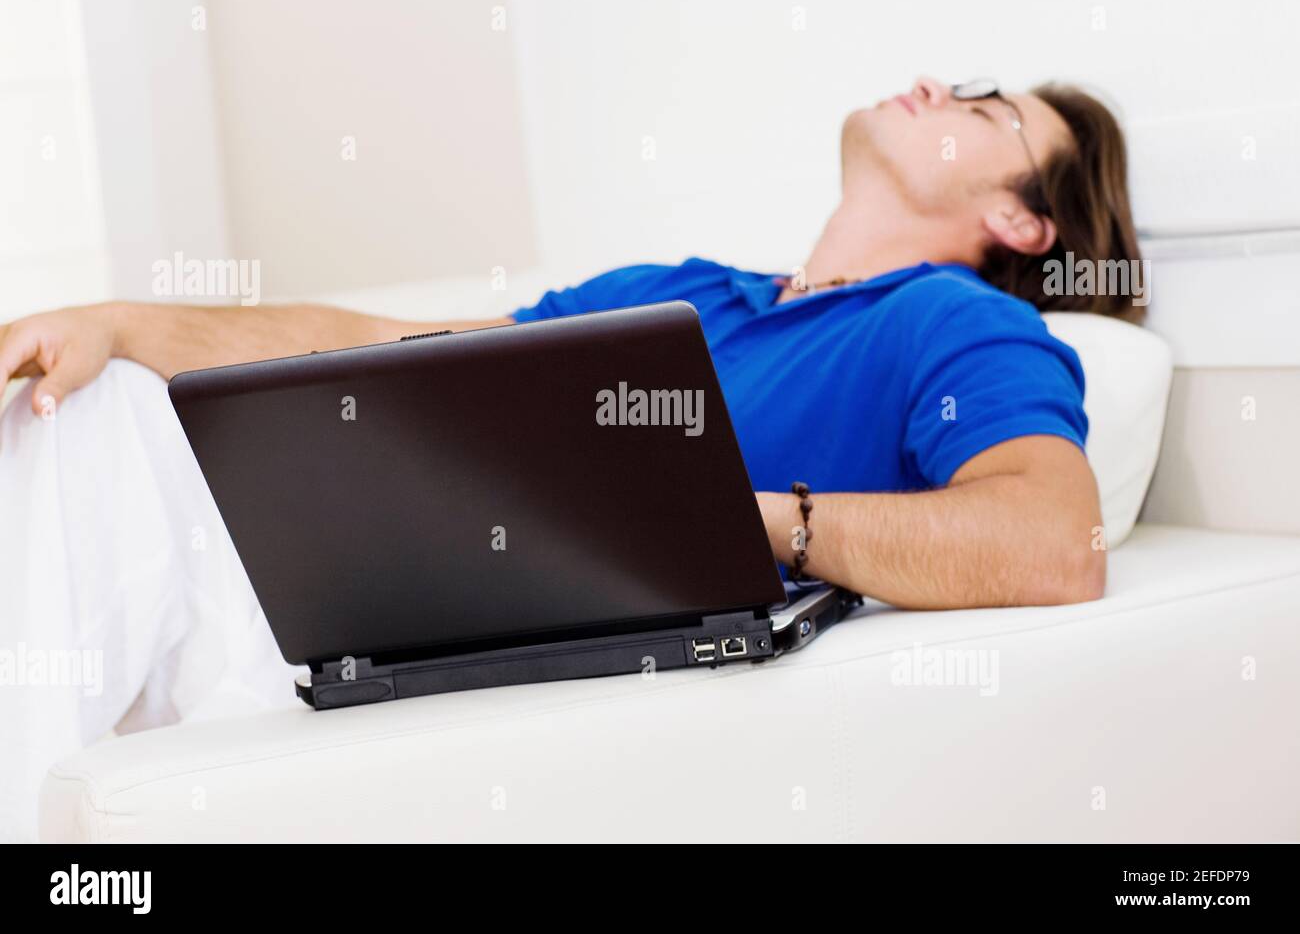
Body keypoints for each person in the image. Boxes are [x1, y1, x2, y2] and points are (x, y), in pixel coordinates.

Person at [0, 77, 1142, 837]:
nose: (942, 84)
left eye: (990, 110)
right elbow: (382, 349)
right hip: (358, 605)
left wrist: (739, 518)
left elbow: (1053, 538)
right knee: (82, 399)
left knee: (91, 438)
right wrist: (119, 320)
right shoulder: (673, 294)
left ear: (1023, 225)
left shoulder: (952, 323)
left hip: (516, 664)